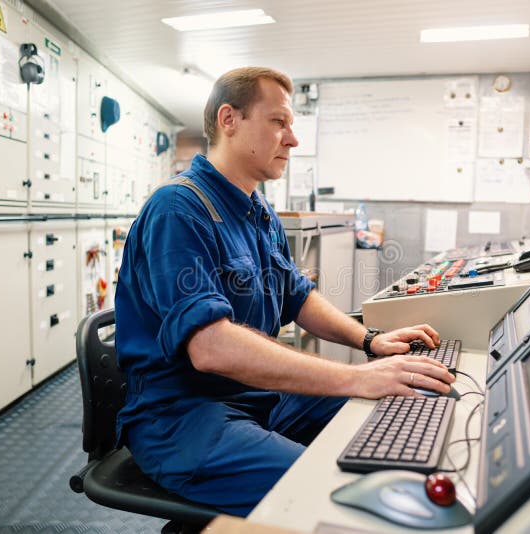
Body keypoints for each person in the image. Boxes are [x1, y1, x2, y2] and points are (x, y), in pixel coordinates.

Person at [114, 66, 455, 516]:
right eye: (279, 122)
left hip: (255, 398)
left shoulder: (257, 211)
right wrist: (356, 375)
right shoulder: (178, 210)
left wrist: (369, 341)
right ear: (229, 120)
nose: (292, 139)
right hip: (183, 418)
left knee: (397, 412)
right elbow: (212, 349)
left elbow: (296, 295)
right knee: (332, 493)